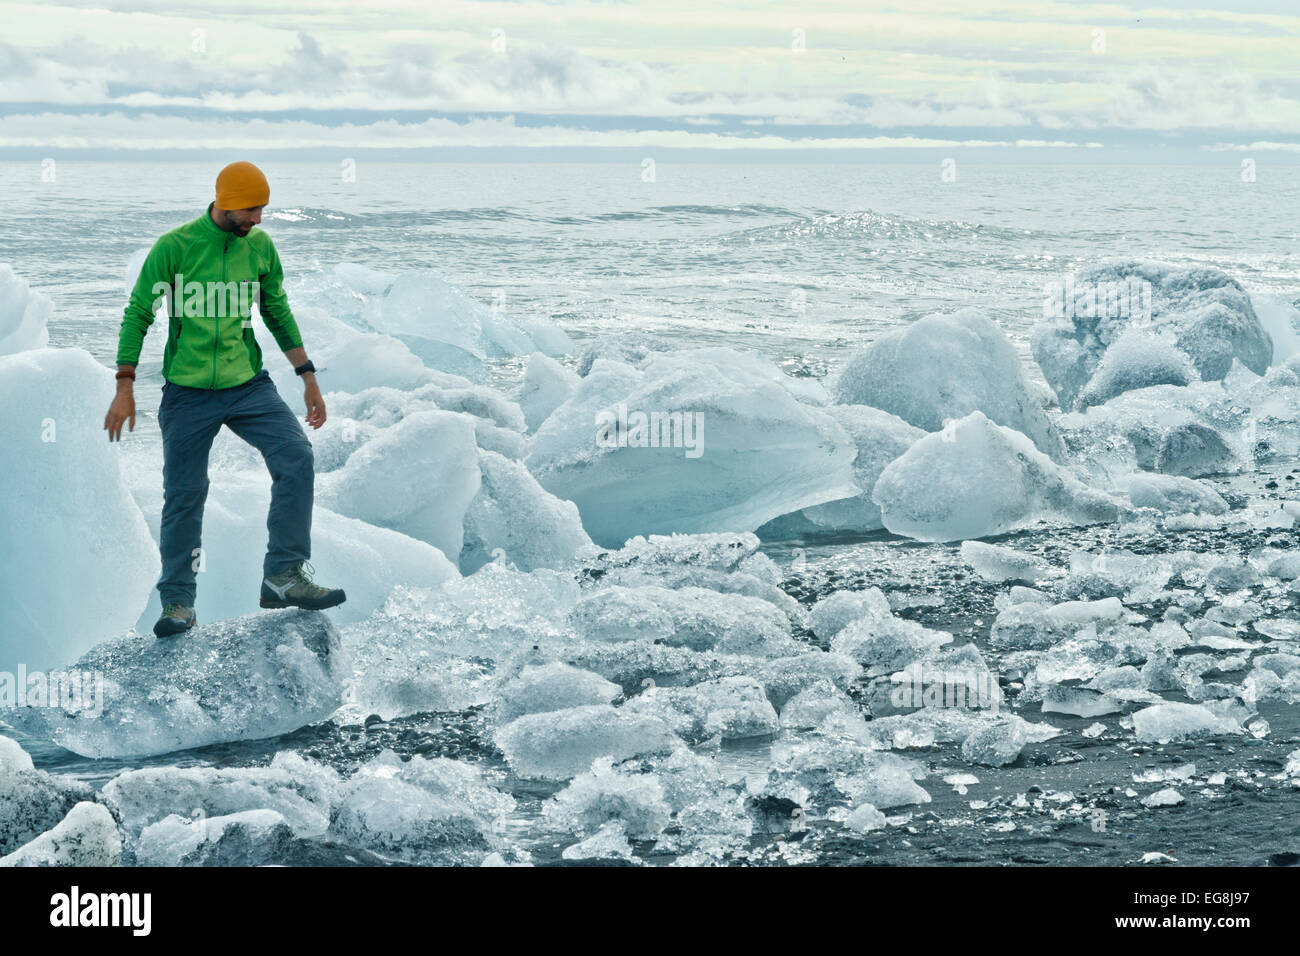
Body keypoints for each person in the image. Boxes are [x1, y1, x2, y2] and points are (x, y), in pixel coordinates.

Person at [103, 160, 346, 638]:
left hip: (248, 385)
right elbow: (138, 314)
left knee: (296, 457)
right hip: (187, 393)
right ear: (227, 203)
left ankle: (283, 575)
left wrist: (308, 376)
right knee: (185, 496)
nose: (258, 218)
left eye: (262, 209)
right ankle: (178, 603)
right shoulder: (175, 247)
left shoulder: (259, 247)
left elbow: (276, 310)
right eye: (251, 209)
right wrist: (125, 385)